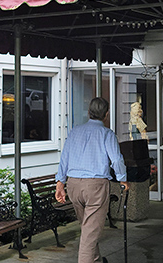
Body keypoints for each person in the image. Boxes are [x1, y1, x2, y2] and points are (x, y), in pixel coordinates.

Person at [55, 98, 130, 263]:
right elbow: (116, 160)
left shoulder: (75, 131)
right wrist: (123, 180)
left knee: (88, 229)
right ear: (106, 114)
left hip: (73, 185)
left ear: (89, 112)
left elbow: (64, 158)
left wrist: (60, 183)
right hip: (95, 187)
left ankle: (95, 260)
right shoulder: (106, 134)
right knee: (90, 233)